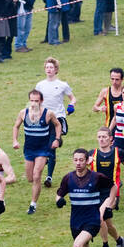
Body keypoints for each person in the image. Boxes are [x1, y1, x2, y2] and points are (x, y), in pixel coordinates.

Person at [56, 148, 123, 247]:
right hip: (75, 221)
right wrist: (59, 201)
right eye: (76, 160)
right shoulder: (68, 178)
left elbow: (114, 186)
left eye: (81, 160)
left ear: (87, 161)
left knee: (77, 246)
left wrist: (109, 203)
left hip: (92, 220)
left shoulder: (96, 177)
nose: (78, 163)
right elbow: (59, 194)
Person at [12, 88, 62, 214]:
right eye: (32, 100)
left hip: (43, 149)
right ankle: (41, 164)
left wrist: (56, 139)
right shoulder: (23, 113)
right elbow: (16, 126)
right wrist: (15, 140)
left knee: (36, 176)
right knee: (29, 178)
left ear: (41, 101)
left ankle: (33, 204)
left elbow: (57, 124)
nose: (34, 103)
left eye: (36, 101)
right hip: (29, 149)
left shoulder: (48, 113)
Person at [88, 127, 124, 247]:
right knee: (108, 224)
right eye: (99, 137)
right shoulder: (92, 154)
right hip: (96, 193)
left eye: (104, 137)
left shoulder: (118, 152)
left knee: (99, 217)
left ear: (111, 139)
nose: (101, 139)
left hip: (112, 193)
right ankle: (120, 240)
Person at [36, 56, 75, 185]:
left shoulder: (62, 85)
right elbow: (36, 101)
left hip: (57, 118)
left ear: (56, 69)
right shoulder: (40, 85)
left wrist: (71, 105)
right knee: (43, 146)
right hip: (43, 118)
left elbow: (72, 98)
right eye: (47, 67)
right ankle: (48, 153)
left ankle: (49, 177)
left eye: (51, 67)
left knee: (52, 147)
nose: (49, 69)